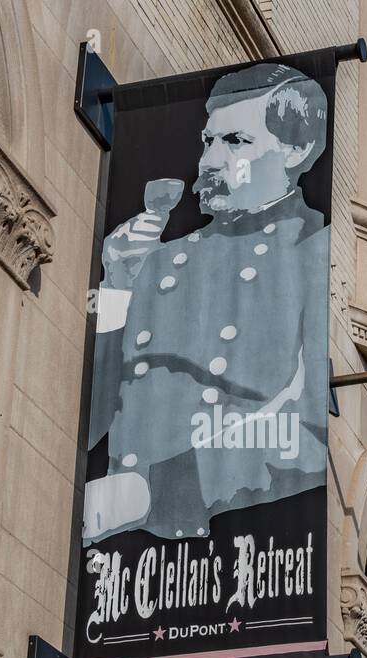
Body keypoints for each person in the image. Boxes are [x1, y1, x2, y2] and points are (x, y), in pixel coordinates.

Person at [83, 62, 331, 543]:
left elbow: (308, 432)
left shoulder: (314, 251)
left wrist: (153, 491)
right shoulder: (158, 261)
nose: (210, 161)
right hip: (110, 566)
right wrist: (115, 287)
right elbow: (88, 420)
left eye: (236, 142)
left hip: (218, 546)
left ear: (296, 150)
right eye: (208, 141)